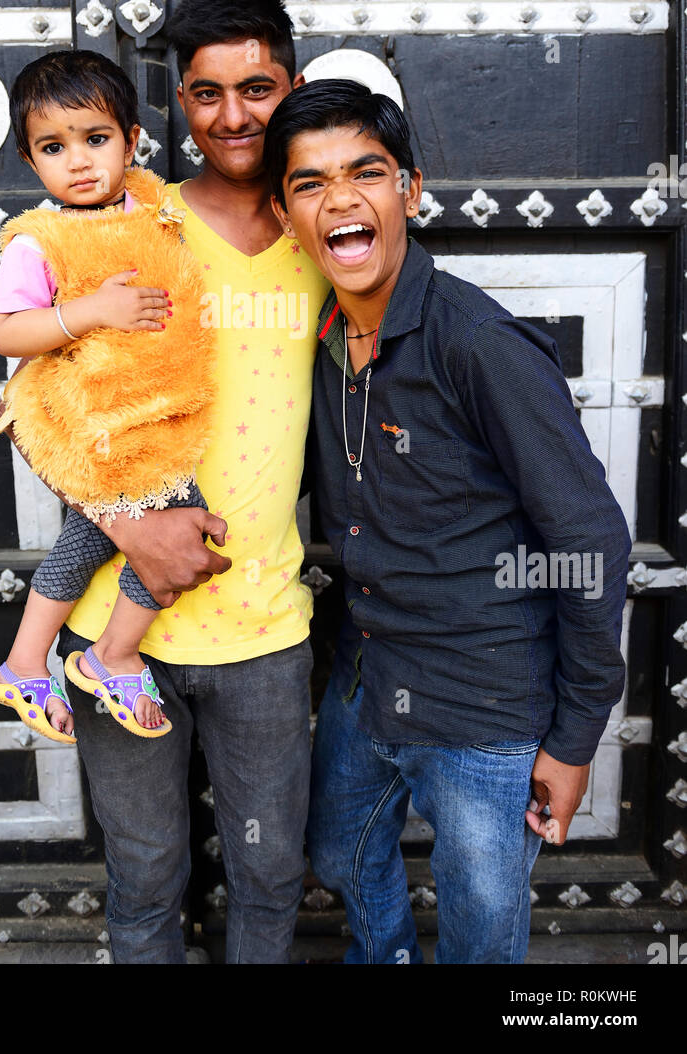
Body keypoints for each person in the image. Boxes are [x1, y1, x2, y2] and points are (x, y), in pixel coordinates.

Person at [265, 79, 631, 964]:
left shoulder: (476, 343)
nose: (341, 199)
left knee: (479, 929)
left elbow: (589, 545)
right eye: (310, 184)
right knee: (337, 854)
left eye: (367, 173)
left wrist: (575, 738)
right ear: (283, 215)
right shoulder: (317, 340)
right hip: (369, 666)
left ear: (410, 192)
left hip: (482, 695)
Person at [52, 0, 331, 963]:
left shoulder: (326, 236)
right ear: (180, 104)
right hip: (119, 636)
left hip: (263, 632)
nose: (233, 114)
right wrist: (129, 524)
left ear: (290, 84)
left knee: (266, 877)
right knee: (145, 878)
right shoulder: (138, 223)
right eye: (207, 94)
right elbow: (51, 403)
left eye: (256, 87)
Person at [0, 50, 216, 740]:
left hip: (146, 410)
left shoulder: (149, 205)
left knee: (86, 540)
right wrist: (88, 313)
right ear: (31, 162)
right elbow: (6, 334)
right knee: (183, 526)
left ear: (132, 140)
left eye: (96, 139)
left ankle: (26, 662)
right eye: (54, 147)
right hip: (94, 419)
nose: (78, 161)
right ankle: (111, 654)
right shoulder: (38, 242)